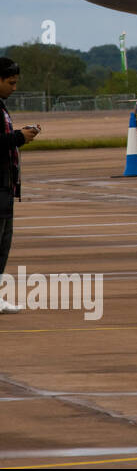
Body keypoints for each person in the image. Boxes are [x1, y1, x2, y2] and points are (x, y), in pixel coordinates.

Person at [1, 58, 41, 312]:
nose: (15, 88)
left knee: (3, 244)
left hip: (5, 185)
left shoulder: (1, 106)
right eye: (11, 82)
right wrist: (17, 137)